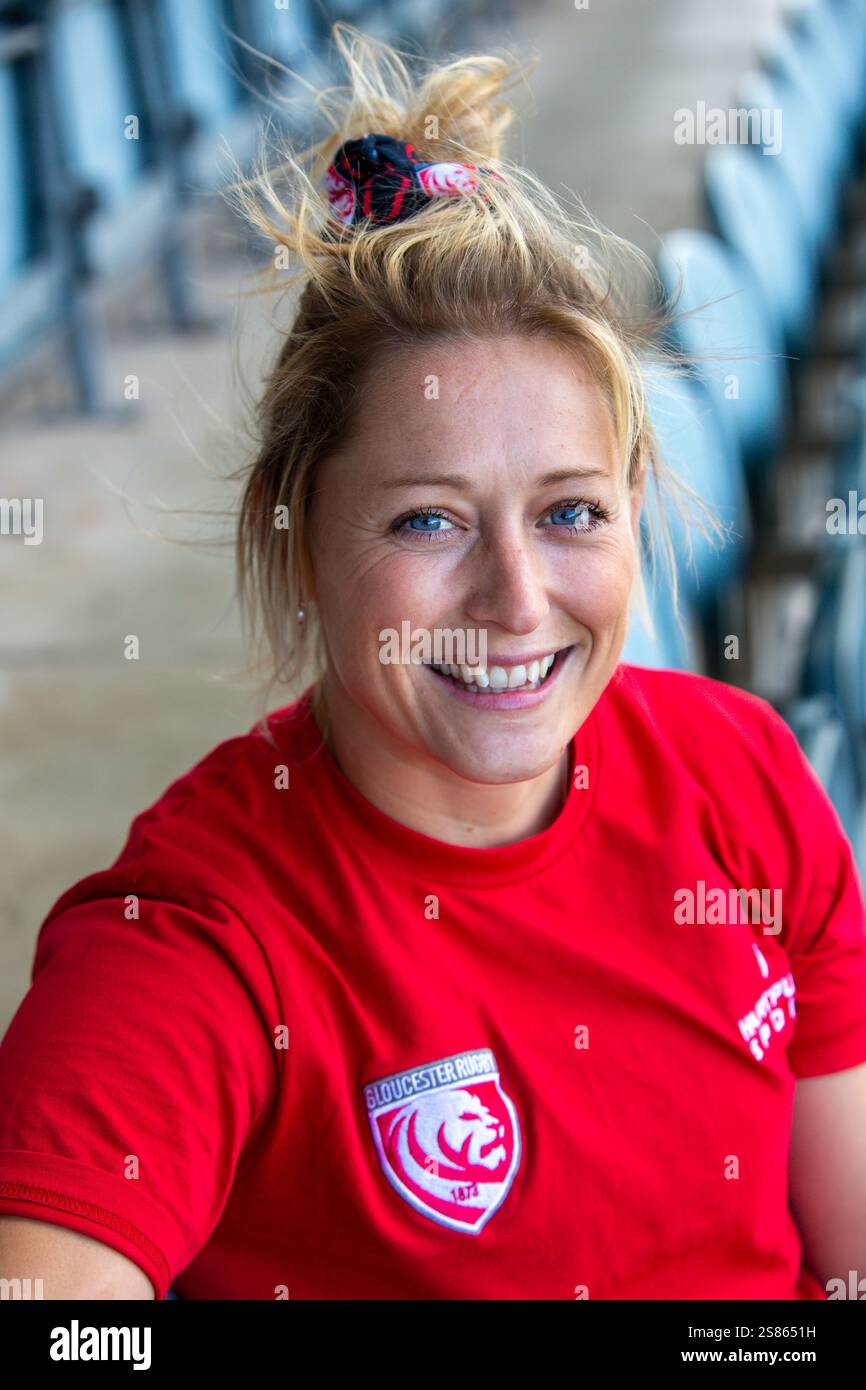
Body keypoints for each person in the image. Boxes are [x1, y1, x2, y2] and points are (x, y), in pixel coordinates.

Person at [1, 23, 865, 1301]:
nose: (515, 602)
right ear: (295, 540)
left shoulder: (736, 774)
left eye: (569, 512)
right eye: (428, 521)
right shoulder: (199, 938)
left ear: (634, 507)